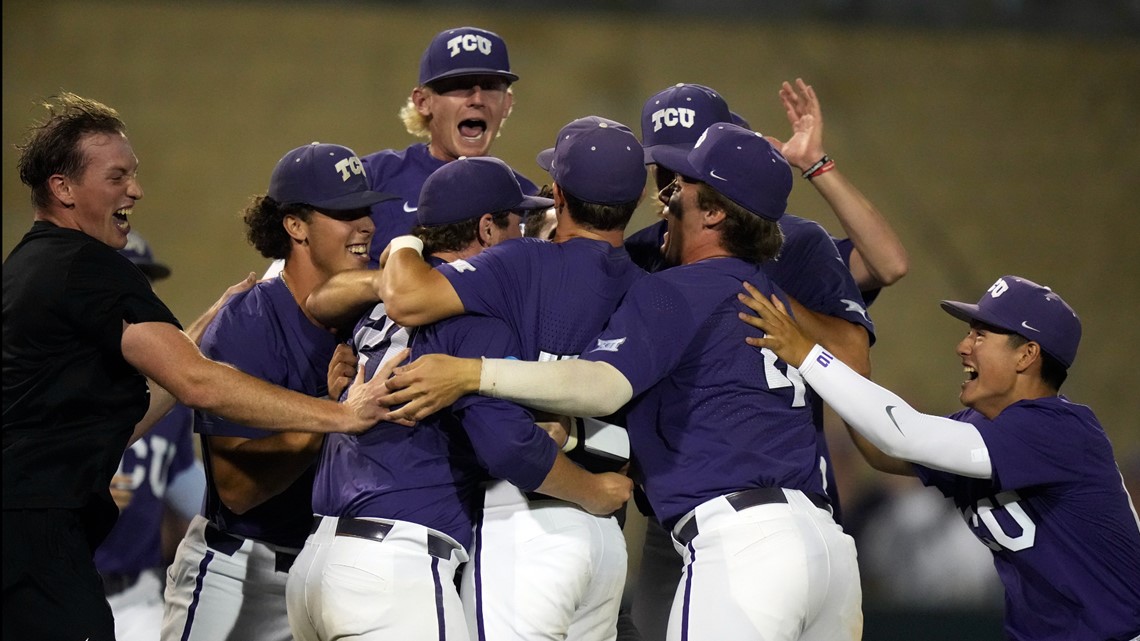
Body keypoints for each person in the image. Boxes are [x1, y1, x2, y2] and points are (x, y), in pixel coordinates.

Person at [379, 123, 864, 640]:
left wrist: (469, 371)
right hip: (807, 540)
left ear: (558, 195)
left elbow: (602, 385)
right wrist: (580, 446)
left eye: (681, 190)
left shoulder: (660, 290)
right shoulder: (753, 297)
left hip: (560, 523)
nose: (669, 199)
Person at [2, 92, 396, 641]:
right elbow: (197, 384)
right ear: (63, 188)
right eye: (117, 177)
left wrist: (194, 333)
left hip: (34, 533)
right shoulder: (87, 267)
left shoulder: (30, 262)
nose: (135, 190)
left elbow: (130, 410)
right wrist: (340, 416)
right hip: (43, 539)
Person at [312, 115, 648, 640]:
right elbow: (509, 440)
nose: (526, 229)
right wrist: (588, 471)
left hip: (354, 544)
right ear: (488, 229)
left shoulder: (391, 310)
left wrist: (402, 244)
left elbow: (344, 297)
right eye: (517, 219)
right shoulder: (650, 286)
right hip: (585, 530)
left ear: (559, 194)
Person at [740, 274, 1140, 640]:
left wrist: (811, 357)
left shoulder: (1059, 430)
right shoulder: (985, 427)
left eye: (981, 335)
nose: (963, 346)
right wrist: (843, 365)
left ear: (1026, 355)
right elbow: (882, 449)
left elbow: (902, 436)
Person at [626, 81, 884, 640]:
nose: (671, 183)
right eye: (662, 165)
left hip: (750, 515)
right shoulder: (644, 251)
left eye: (687, 164)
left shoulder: (790, 245)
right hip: (685, 511)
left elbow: (871, 309)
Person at [160, 142, 397, 641]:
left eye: (366, 209)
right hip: (242, 570)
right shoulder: (249, 320)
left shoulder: (374, 312)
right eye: (343, 212)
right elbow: (239, 491)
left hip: (339, 574)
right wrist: (333, 416)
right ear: (295, 226)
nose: (366, 225)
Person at [93, 231, 207, 641]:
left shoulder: (166, 399)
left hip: (137, 598)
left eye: (142, 286)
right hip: (56, 591)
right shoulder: (41, 384)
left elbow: (193, 496)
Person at [362, 25, 535, 262]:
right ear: (423, 101)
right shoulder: (373, 179)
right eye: (461, 86)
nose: (477, 99)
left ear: (507, 103)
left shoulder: (527, 199)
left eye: (490, 86)